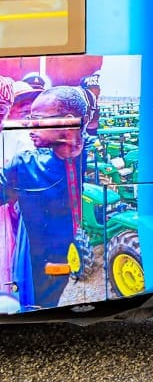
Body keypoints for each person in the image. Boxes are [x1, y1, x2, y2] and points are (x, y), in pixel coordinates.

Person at [1, 86, 88, 310]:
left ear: (67, 121)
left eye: (37, 118)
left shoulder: (26, 166)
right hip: (46, 281)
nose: (30, 124)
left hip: (65, 276)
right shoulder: (26, 165)